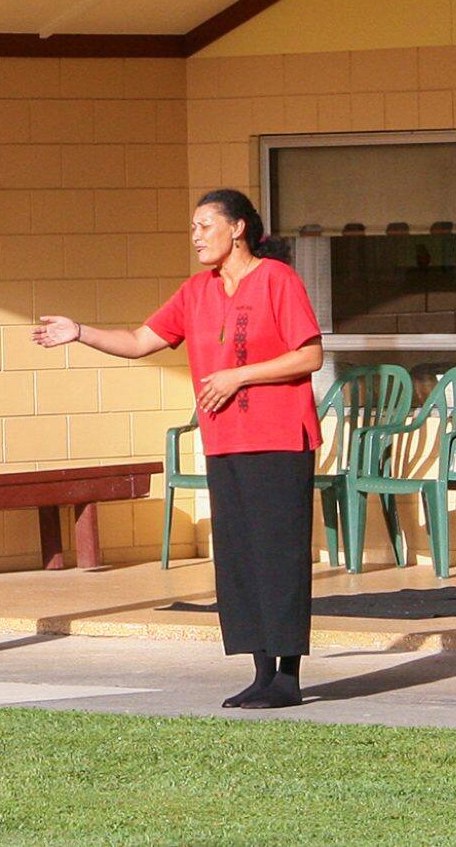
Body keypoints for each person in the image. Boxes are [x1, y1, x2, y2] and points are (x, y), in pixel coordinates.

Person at [33, 189, 324, 708]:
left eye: (205, 225)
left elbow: (309, 356)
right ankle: (260, 673)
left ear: (237, 228)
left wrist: (238, 376)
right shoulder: (195, 292)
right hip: (224, 442)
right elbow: (139, 340)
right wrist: (79, 332)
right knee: (239, 557)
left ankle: (288, 677)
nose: (196, 236)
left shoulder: (278, 279)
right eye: (192, 228)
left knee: (279, 555)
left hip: (280, 440)